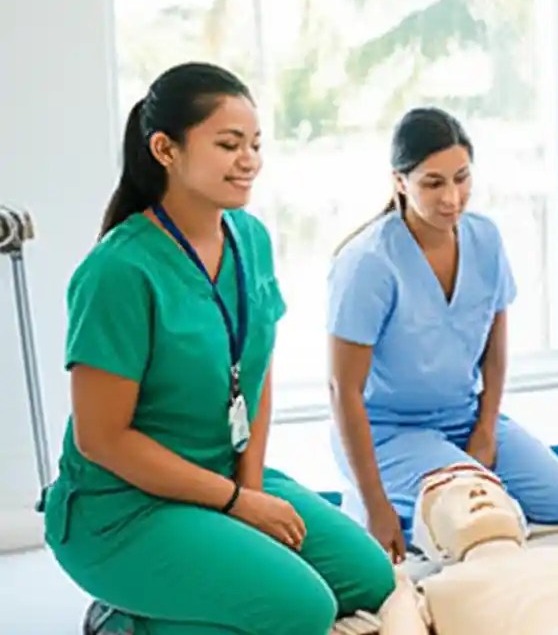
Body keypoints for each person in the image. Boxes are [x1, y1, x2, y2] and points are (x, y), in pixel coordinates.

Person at [41, 62, 395, 635]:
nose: (249, 159)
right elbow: (100, 438)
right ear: (165, 149)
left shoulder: (249, 237)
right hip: (123, 509)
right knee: (304, 610)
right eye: (229, 144)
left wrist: (249, 488)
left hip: (222, 476)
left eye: (255, 144)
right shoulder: (118, 271)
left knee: (367, 579)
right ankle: (122, 624)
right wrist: (235, 504)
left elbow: (256, 373)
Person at [327, 107, 558, 564]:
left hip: (462, 416)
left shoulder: (485, 238)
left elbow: (496, 341)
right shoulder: (368, 262)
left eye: (462, 178)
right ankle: (376, 494)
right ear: (400, 182)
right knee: (491, 520)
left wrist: (486, 426)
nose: (452, 197)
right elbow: (342, 388)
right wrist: (374, 504)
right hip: (388, 431)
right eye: (433, 183)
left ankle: (431, 488)